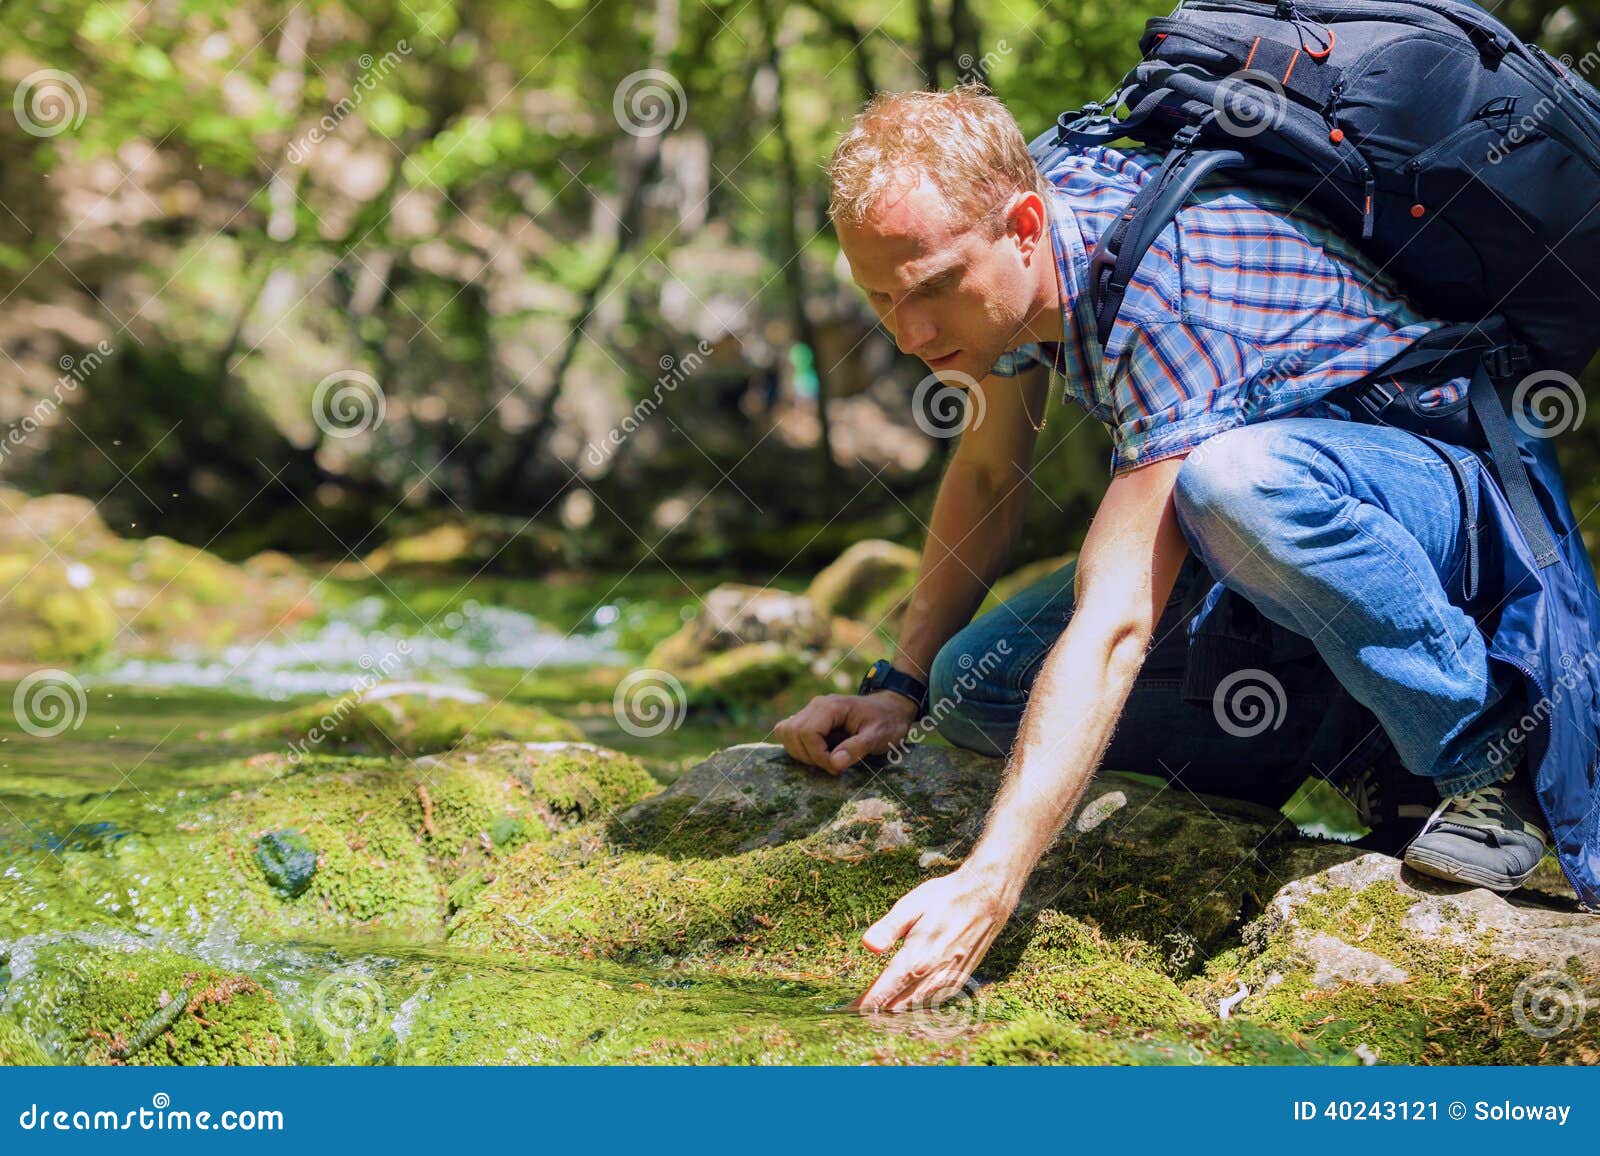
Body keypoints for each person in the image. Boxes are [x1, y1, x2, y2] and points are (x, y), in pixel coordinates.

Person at [774, 85, 1600, 1014]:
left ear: (1023, 224)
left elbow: (1117, 622)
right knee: (981, 687)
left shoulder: (1167, 285)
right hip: (1284, 552)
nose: (911, 332)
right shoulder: (1006, 267)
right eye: (879, 296)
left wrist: (989, 881)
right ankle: (1361, 744)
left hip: (1441, 503)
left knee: (1238, 482)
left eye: (930, 289)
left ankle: (1487, 768)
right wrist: (903, 682)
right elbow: (990, 477)